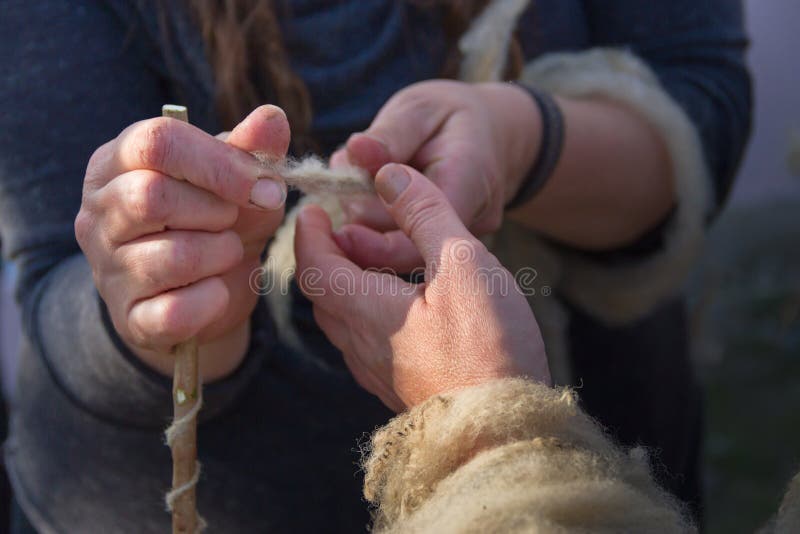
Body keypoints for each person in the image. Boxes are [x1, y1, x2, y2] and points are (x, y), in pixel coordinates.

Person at [0, 0, 750, 531]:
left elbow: (703, 99)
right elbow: (54, 278)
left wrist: (522, 140)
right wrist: (166, 303)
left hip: (596, 478)